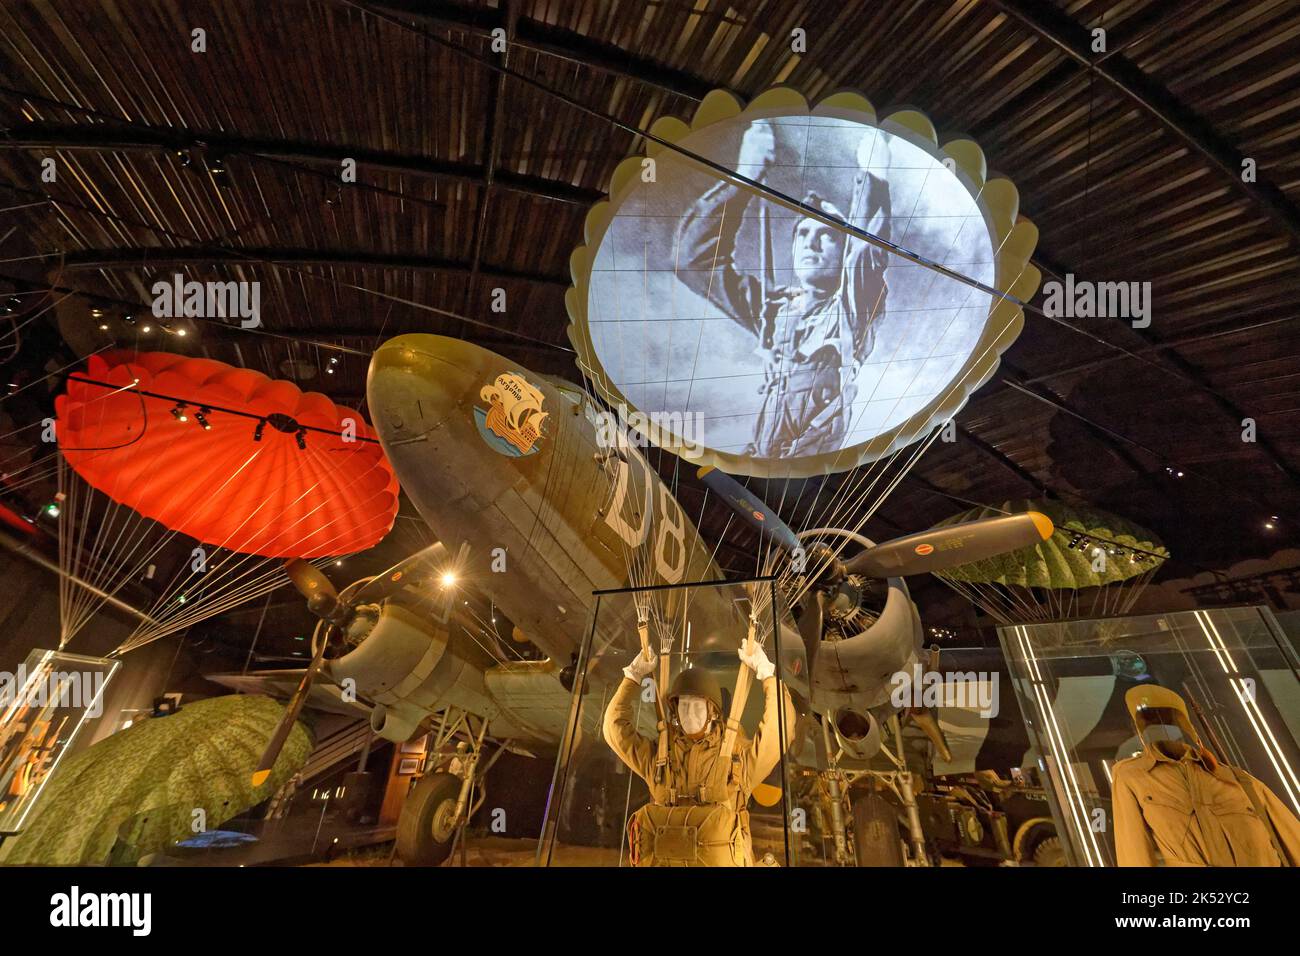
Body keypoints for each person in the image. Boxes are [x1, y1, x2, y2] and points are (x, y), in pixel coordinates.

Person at [676, 120, 890, 458]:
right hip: (762, 455)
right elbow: (693, 262)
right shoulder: (775, 311)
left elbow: (865, 252)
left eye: (826, 236)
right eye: (803, 235)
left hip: (809, 460)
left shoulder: (853, 308)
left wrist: (873, 179)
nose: (812, 244)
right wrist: (744, 178)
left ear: (843, 250)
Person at [603, 640, 794, 866]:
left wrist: (767, 675)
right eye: (683, 706)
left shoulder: (738, 759)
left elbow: (779, 730)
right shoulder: (660, 757)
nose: (689, 714)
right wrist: (632, 677)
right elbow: (614, 729)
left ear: (712, 711)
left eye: (697, 706)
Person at [1111, 684, 1300, 866]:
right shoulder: (1132, 776)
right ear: (1136, 727)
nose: (1160, 724)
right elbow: (1134, 854)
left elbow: (1292, 838)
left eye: (1168, 718)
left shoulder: (1238, 779)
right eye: (1149, 719)